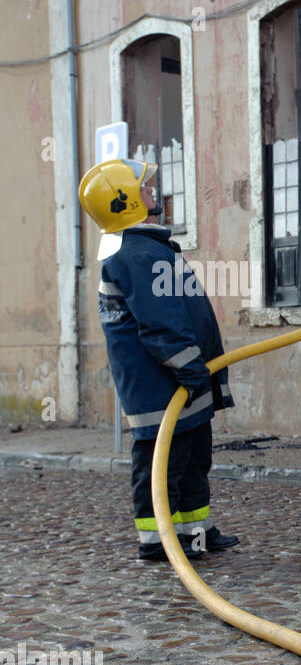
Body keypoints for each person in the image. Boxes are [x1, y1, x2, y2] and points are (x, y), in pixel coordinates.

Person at [78, 158, 239, 562]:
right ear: (126, 201)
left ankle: (194, 534)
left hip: (179, 386)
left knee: (192, 461)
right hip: (164, 389)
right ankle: (157, 541)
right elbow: (161, 326)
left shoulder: (145, 249)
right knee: (164, 466)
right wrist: (191, 369)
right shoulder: (136, 255)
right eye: (145, 189)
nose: (154, 192)